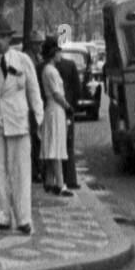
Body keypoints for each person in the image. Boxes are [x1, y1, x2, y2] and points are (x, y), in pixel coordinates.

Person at [0, 15, 44, 235]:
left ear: (9, 39)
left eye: (3, 37)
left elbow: (34, 91)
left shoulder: (23, 60)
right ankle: (1, 217)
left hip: (19, 121)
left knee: (21, 172)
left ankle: (23, 218)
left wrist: (38, 117)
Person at [40, 37, 75, 196]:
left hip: (53, 109)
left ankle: (49, 181)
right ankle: (61, 184)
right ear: (53, 53)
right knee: (56, 147)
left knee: (52, 145)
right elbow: (56, 93)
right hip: (56, 109)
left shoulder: (47, 70)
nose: (60, 54)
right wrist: (67, 106)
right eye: (58, 51)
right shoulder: (51, 71)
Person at [55, 48, 81, 190]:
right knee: (68, 144)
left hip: (51, 109)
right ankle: (70, 178)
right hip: (67, 108)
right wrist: (73, 105)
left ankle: (54, 178)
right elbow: (78, 89)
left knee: (53, 145)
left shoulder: (44, 67)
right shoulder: (69, 65)